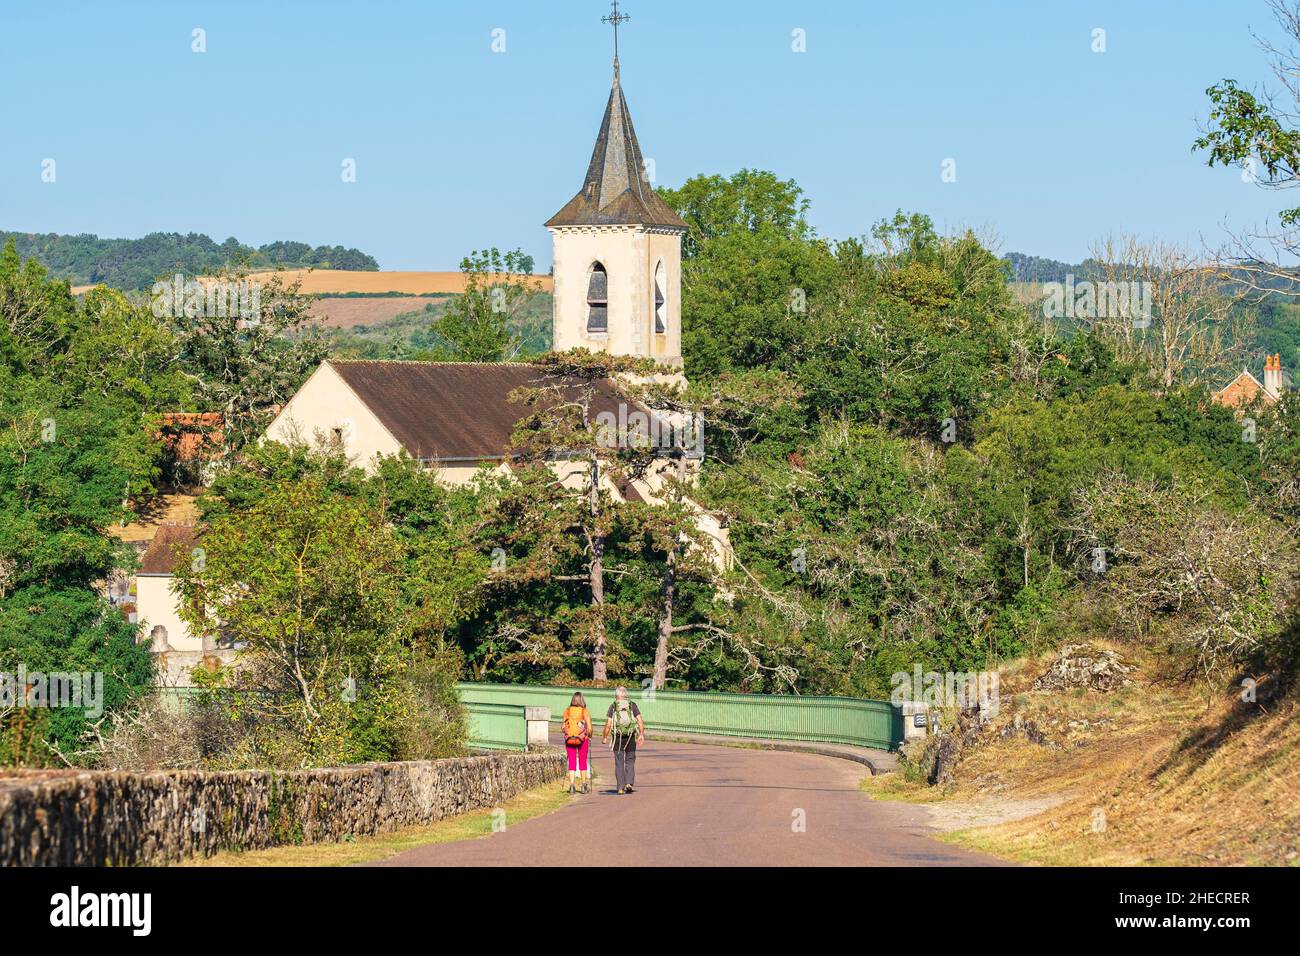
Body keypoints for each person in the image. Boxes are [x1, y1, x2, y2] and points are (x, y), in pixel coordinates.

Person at [602, 686, 644, 794]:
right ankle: (629, 783)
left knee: (619, 761)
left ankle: (620, 787)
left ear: (616, 696)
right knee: (630, 760)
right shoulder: (632, 705)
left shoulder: (613, 706)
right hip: (630, 736)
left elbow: (608, 724)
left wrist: (605, 737)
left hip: (617, 737)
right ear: (626, 695)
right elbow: (639, 720)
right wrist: (641, 734)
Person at [560, 692, 593, 794]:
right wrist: (589, 735)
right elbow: (590, 728)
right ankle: (583, 785)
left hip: (569, 739)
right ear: (582, 699)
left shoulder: (567, 711)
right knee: (582, 761)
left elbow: (563, 727)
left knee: (572, 761)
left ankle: (572, 785)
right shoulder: (584, 711)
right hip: (582, 739)